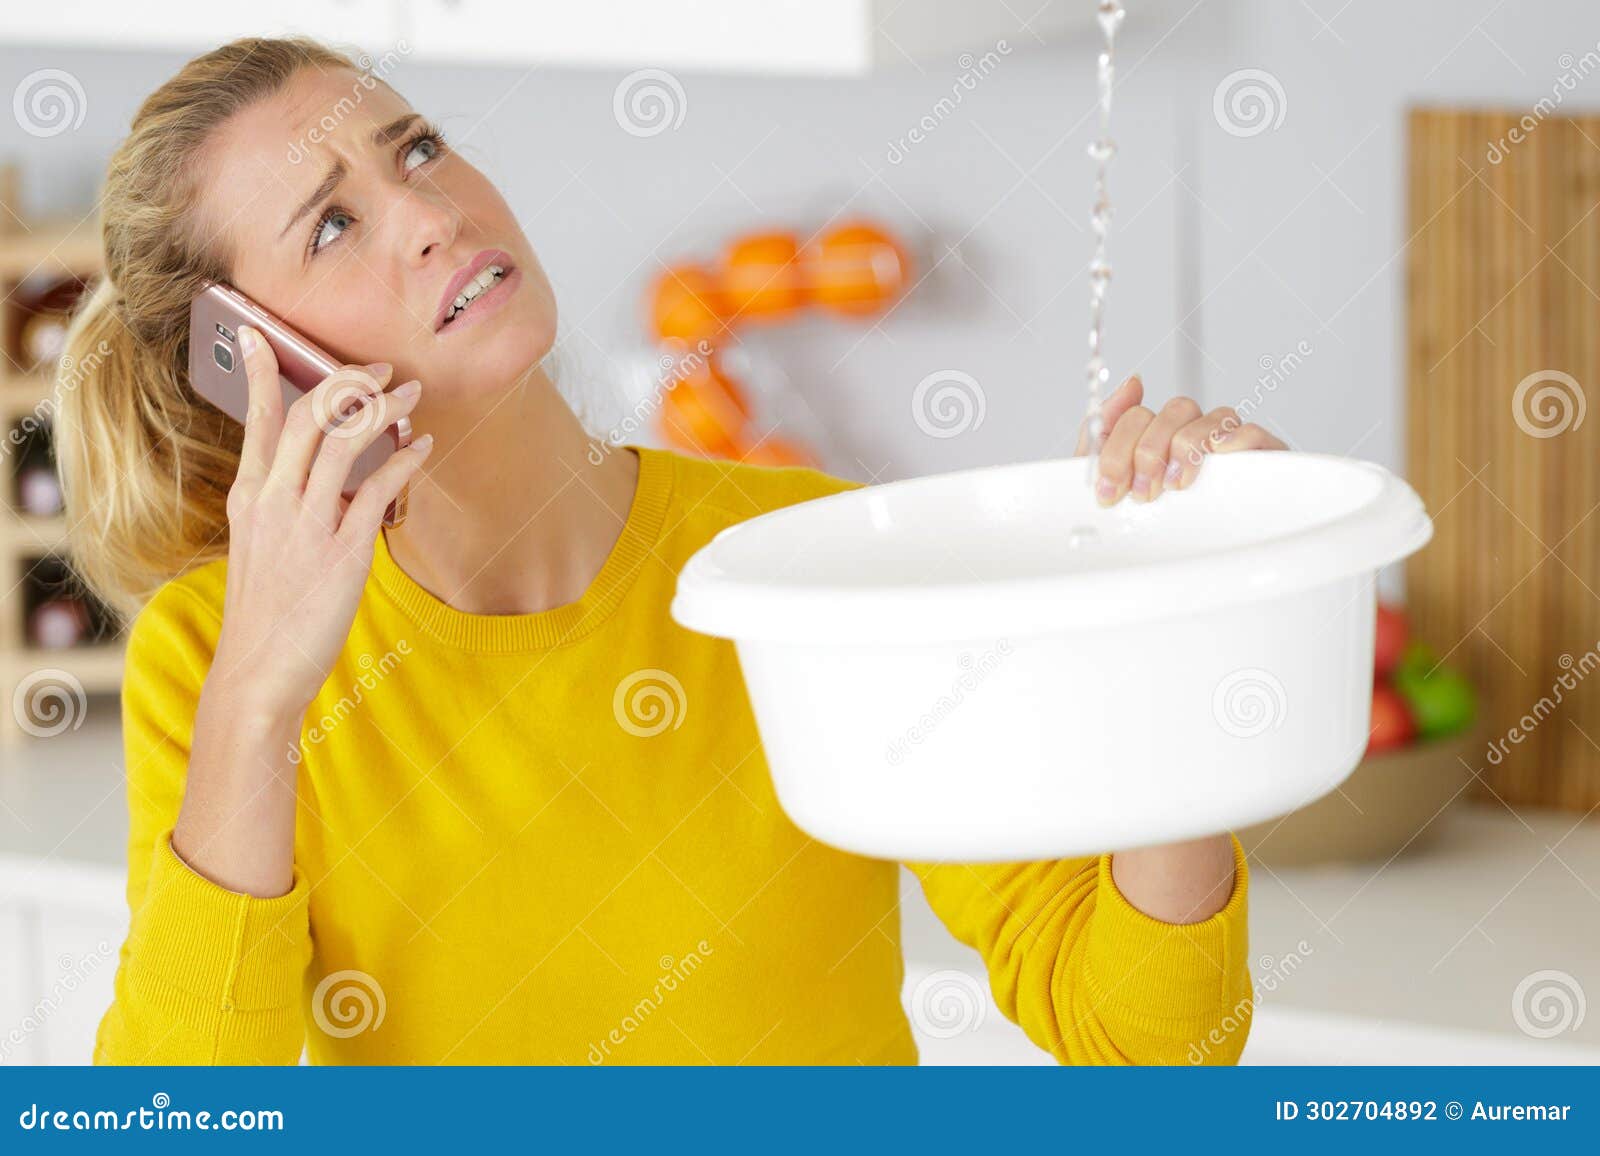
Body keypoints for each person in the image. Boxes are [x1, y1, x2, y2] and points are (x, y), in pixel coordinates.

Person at [60, 37, 1281, 1066]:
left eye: (417, 148)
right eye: (333, 223)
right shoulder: (214, 666)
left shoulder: (801, 560)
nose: (434, 216)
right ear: (251, 357)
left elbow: (1151, 1051)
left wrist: (1171, 636)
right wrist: (260, 709)